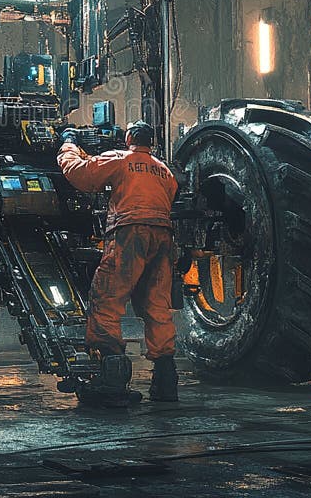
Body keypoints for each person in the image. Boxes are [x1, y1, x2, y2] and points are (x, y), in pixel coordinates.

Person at [57, 120, 180, 407]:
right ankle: (165, 380)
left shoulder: (120, 159)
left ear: (128, 139)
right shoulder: (163, 169)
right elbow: (169, 195)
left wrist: (69, 144)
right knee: (157, 305)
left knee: (108, 296)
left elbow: (81, 175)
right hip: (163, 236)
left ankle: (111, 378)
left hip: (130, 232)